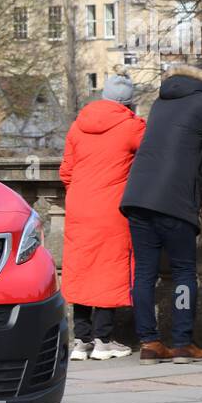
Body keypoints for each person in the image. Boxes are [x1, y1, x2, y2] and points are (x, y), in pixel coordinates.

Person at [120, 63, 202, 364]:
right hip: (173, 200)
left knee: (145, 274)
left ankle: (149, 343)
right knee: (184, 273)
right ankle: (182, 343)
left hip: (137, 196)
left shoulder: (161, 103)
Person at [59, 73, 145, 362]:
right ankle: (103, 340)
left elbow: (66, 172)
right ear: (129, 102)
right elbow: (152, 156)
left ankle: (81, 340)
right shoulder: (132, 127)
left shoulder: (77, 125)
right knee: (109, 269)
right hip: (112, 207)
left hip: (79, 205)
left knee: (81, 269)